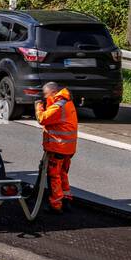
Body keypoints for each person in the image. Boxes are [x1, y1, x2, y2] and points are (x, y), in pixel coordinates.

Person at [35, 81, 78, 212]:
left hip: (58, 147)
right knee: (63, 174)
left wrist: (38, 105)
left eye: (46, 95)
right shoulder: (66, 102)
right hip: (67, 148)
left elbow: (42, 118)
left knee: (54, 176)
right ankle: (66, 200)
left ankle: (56, 205)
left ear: (53, 93)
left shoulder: (59, 106)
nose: (45, 97)